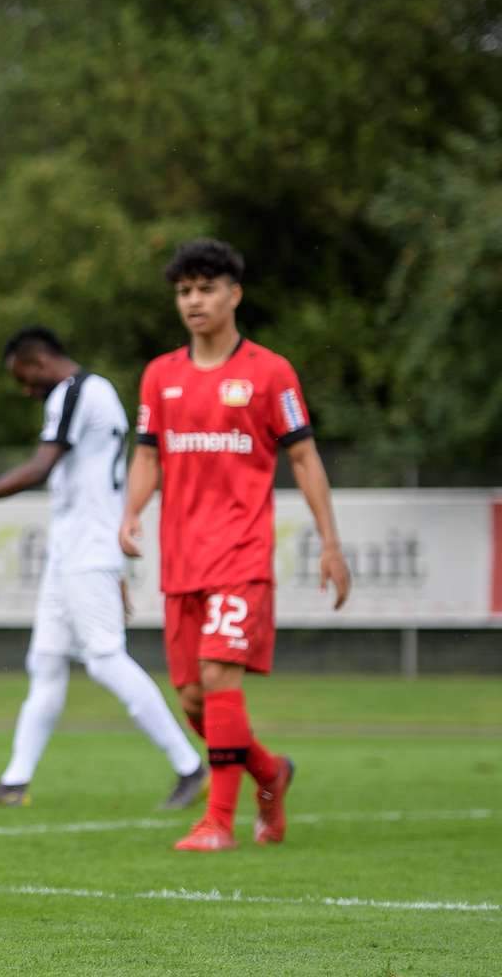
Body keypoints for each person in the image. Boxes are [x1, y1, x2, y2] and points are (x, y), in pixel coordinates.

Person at [121, 239, 352, 852]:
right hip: (181, 560)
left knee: (222, 677)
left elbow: (303, 457)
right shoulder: (160, 376)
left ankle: (217, 822)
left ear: (234, 294)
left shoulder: (269, 373)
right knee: (195, 699)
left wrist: (330, 543)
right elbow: (147, 456)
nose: (194, 301)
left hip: (241, 554)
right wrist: (131, 513)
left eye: (205, 288)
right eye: (184, 291)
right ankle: (269, 773)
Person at [0, 327, 206, 810]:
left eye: (24, 379)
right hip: (75, 551)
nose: (27, 390)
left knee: (104, 658)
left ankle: (189, 766)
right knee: (47, 662)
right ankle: (15, 782)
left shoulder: (75, 392)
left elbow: (39, 469)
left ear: (37, 363)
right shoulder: (98, 394)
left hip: (86, 551)